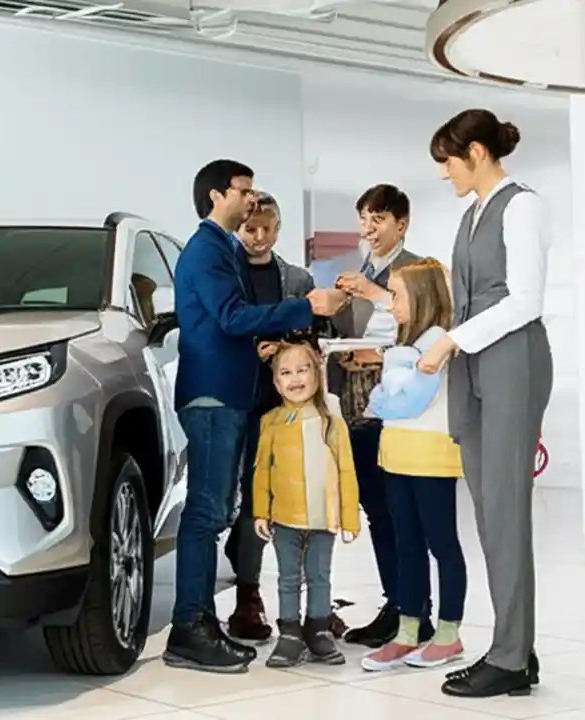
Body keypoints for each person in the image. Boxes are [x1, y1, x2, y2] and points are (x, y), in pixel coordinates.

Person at [166, 159, 348, 674]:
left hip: (229, 396)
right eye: (244, 192)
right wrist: (304, 307)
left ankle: (199, 624)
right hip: (214, 398)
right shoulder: (206, 250)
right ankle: (190, 628)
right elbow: (231, 318)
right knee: (206, 514)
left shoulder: (220, 250)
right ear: (217, 196)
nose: (252, 200)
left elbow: (230, 322)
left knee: (216, 511)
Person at [416, 109, 552, 699]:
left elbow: (525, 299)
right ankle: (516, 649)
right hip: (475, 364)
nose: (445, 175)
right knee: (490, 515)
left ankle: (510, 657)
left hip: (510, 361)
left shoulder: (522, 205)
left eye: (448, 163)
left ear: (474, 152)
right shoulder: (471, 213)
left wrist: (451, 340)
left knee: (504, 512)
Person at [330, 185, 434, 649]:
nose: (368, 229)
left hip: (395, 406)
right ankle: (397, 604)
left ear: (401, 224)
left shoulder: (416, 271)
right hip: (358, 405)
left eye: (378, 219)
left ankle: (414, 611)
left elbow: (425, 331)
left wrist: (375, 348)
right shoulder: (362, 272)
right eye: (363, 219)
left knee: (398, 512)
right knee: (377, 509)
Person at [357, 259, 468, 672]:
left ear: (419, 297)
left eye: (397, 296)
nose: (392, 305)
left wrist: (390, 378)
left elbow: (404, 398)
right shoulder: (409, 341)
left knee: (442, 544)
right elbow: (387, 396)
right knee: (407, 544)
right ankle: (407, 631)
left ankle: (449, 634)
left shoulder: (438, 340)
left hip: (430, 454)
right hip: (399, 451)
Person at [223, 191, 317, 642]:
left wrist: (288, 352)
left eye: (267, 230)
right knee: (246, 499)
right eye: (250, 229)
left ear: (278, 229)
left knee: (286, 500)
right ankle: (247, 594)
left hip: (286, 407)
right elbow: (222, 328)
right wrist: (252, 350)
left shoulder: (297, 279)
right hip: (239, 400)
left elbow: (313, 341)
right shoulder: (227, 274)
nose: (258, 238)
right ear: (239, 227)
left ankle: (304, 603)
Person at [251, 341, 360, 668]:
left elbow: (346, 470)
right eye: (286, 372)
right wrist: (261, 511)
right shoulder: (270, 422)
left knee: (319, 576)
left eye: (303, 369)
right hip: (285, 519)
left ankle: (319, 629)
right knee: (287, 578)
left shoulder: (332, 422)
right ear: (275, 382)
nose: (295, 378)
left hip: (322, 520)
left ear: (318, 373)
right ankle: (289, 633)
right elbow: (262, 471)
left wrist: (349, 517)